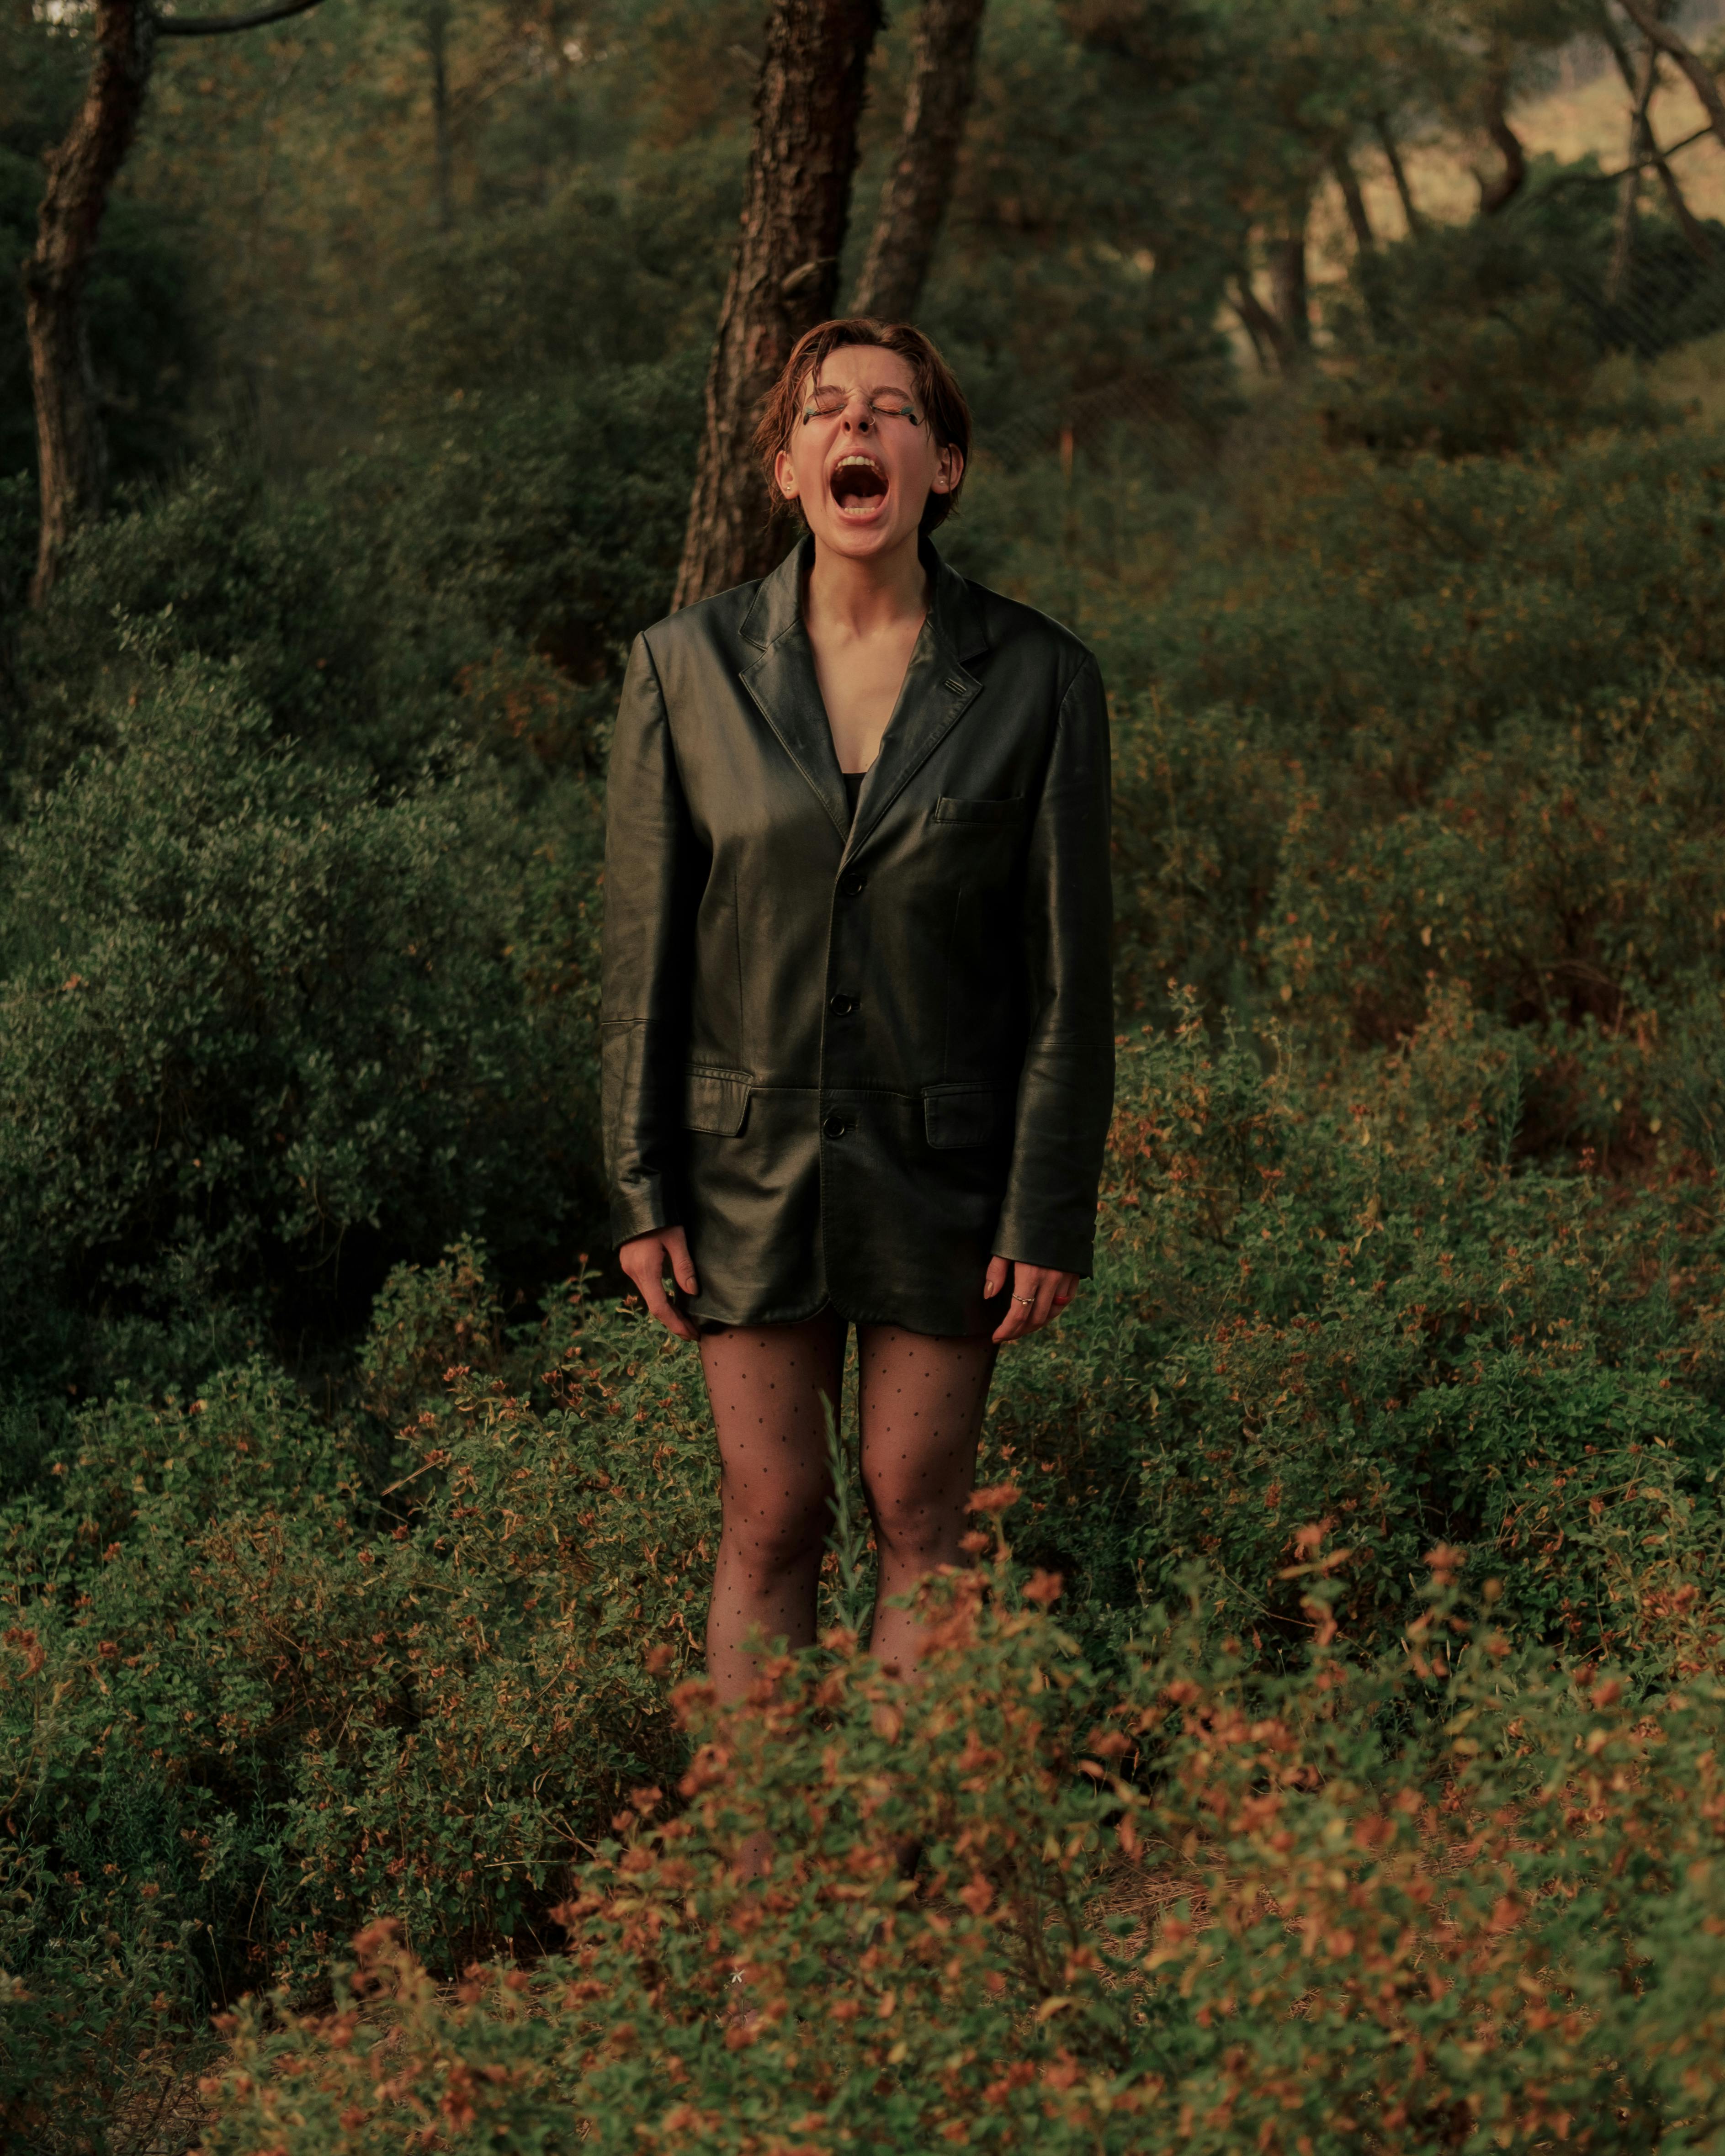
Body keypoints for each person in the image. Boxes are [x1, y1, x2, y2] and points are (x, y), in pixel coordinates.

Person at [600, 317, 1112, 1697]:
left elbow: (1071, 982)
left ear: (942, 464)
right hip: (744, 1167)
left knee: (917, 1517)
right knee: (771, 1517)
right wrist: (641, 1186)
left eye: (892, 412)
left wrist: (1045, 1207)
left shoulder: (1042, 679)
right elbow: (642, 956)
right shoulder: (681, 670)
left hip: (946, 1170)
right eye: (825, 412)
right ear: (784, 466)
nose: (856, 430)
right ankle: (769, 1894)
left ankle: (890, 1895)